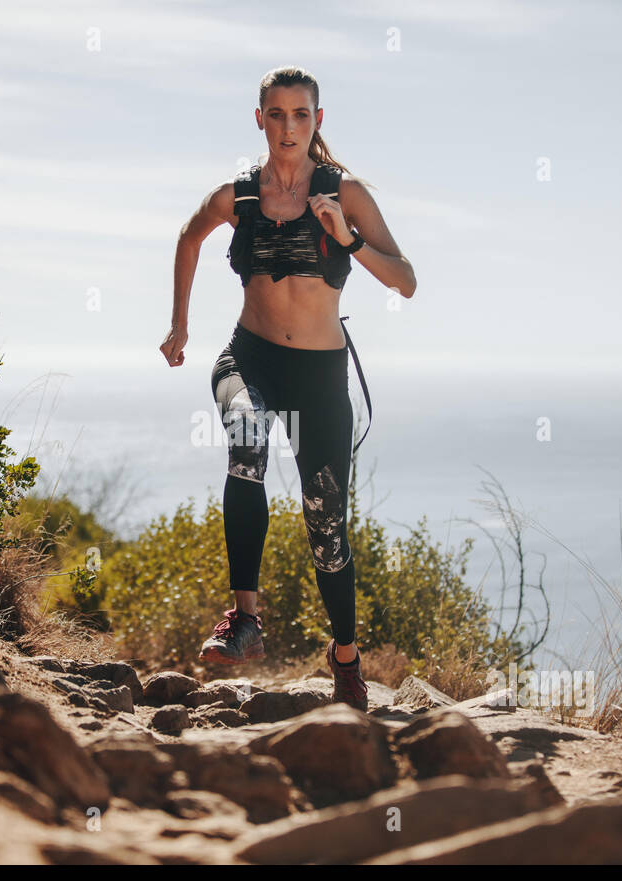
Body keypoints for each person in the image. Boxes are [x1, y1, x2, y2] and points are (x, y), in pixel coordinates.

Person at [158, 66, 416, 710]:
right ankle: (244, 620)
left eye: (300, 114)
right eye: (276, 114)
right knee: (246, 440)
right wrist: (179, 326)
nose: (288, 127)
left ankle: (346, 658)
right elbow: (189, 237)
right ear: (260, 121)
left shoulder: (344, 194)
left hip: (320, 377)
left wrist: (347, 239)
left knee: (326, 528)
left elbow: (406, 280)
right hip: (248, 358)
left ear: (317, 121)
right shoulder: (239, 198)